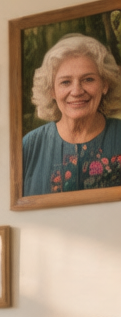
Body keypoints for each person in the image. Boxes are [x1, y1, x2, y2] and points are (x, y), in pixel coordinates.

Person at [22, 33, 121, 196]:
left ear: (105, 84)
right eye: (65, 82)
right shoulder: (29, 147)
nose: (76, 91)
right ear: (52, 91)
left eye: (88, 79)